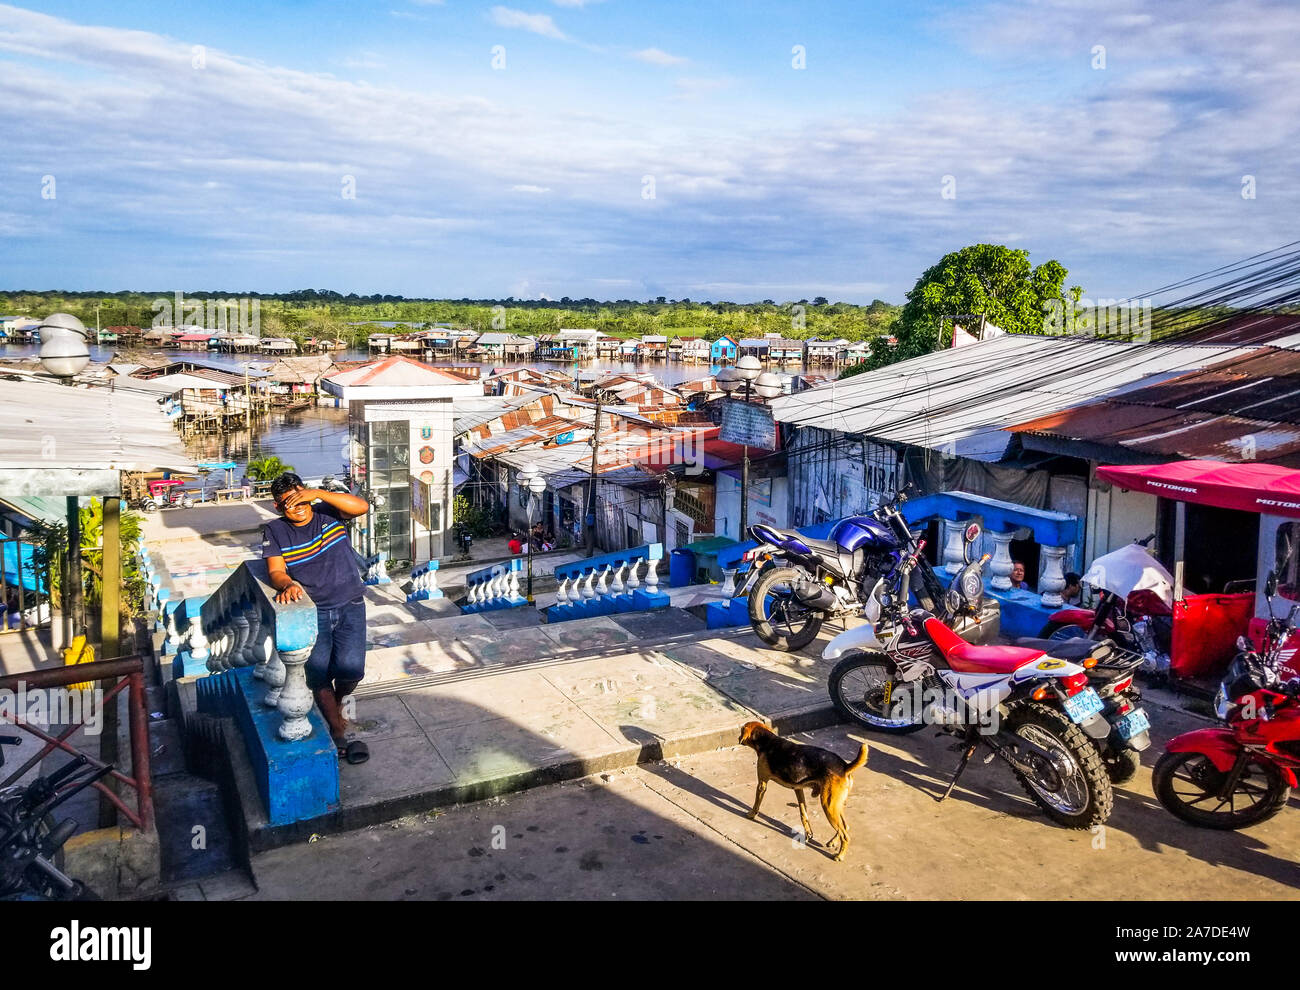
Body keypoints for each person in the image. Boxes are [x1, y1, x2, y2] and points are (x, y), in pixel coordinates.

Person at [262, 472, 372, 764]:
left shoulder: (327, 511)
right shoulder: (275, 531)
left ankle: (340, 707)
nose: (297, 507)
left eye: (301, 500)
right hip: (315, 611)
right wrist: (287, 584)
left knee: (352, 670)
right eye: (289, 503)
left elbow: (361, 507)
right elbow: (275, 570)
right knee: (318, 674)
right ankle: (338, 731)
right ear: (277, 506)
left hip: (350, 603)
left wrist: (317, 494)